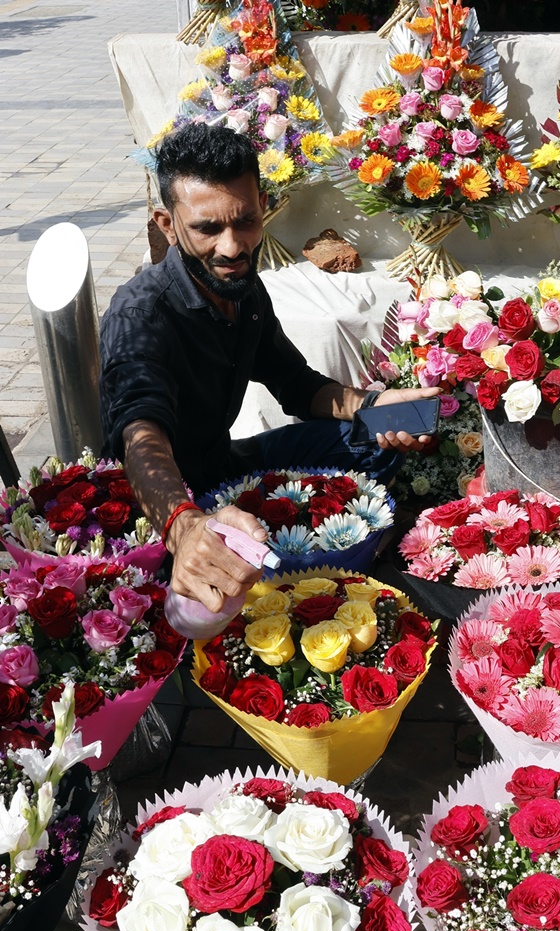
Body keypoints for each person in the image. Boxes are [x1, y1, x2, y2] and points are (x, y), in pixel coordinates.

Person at [99, 122, 437, 613]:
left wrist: (374, 405)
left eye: (246, 221)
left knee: (377, 438)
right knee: (214, 575)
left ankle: (324, 553)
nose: (233, 248)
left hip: (227, 465)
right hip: (170, 502)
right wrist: (184, 525)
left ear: (263, 207)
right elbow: (140, 436)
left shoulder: (244, 290)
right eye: (207, 228)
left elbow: (296, 385)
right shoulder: (140, 314)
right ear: (167, 225)